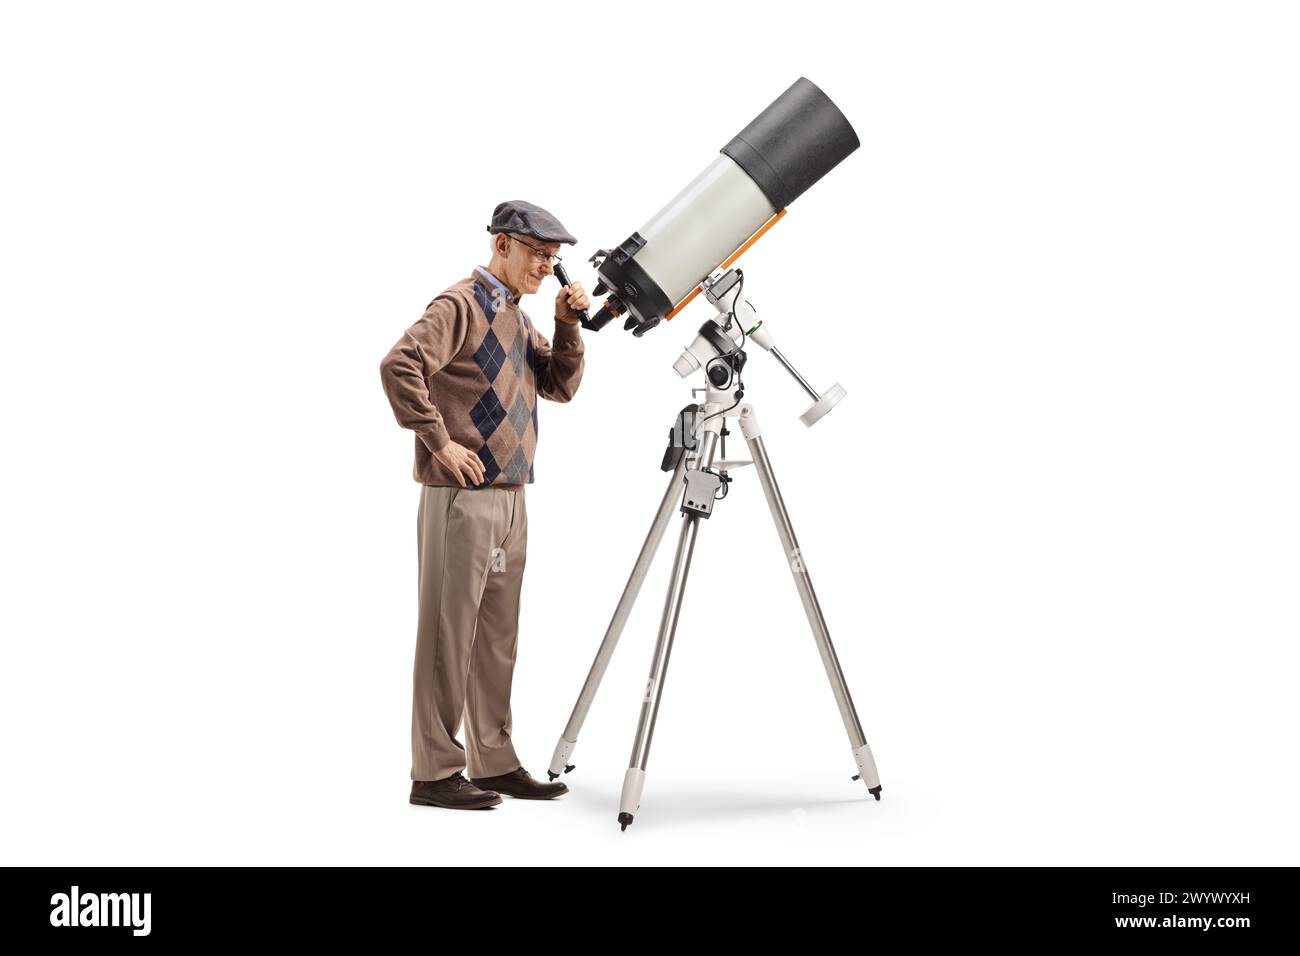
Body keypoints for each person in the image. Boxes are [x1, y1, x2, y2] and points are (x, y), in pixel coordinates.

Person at [380, 200, 589, 810]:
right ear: (503, 245)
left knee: (496, 635)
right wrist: (439, 442)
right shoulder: (460, 306)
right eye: (538, 255)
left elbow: (559, 387)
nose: (546, 267)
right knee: (449, 634)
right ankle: (435, 771)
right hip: (462, 501)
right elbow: (400, 365)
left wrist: (567, 324)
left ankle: (493, 760)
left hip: (511, 498)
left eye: (554, 259)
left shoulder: (519, 320)